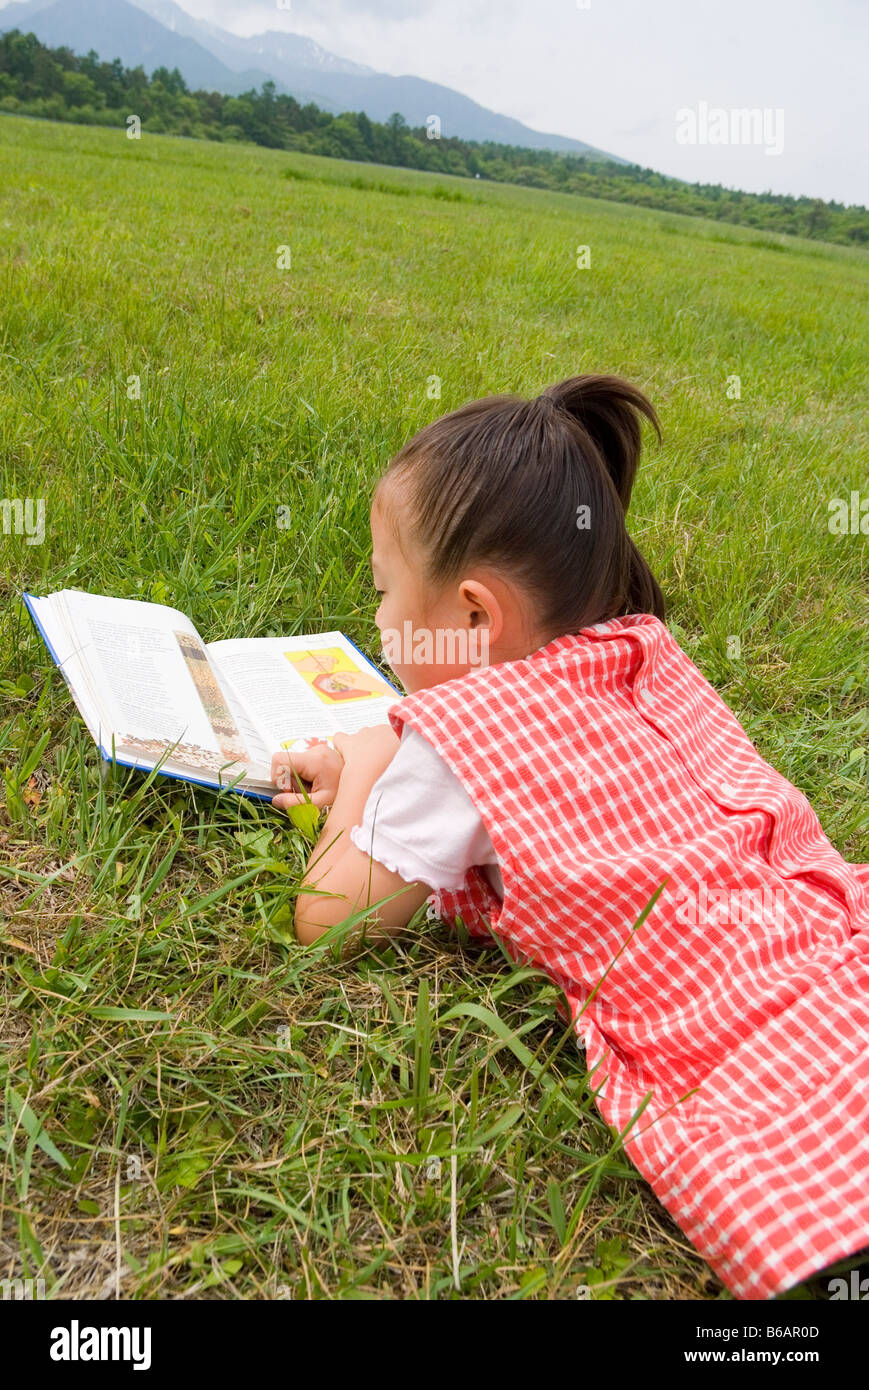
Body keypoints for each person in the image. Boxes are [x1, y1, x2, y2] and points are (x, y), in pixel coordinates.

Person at [270, 374, 869, 1302]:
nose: (381, 626)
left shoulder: (466, 738)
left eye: (385, 595)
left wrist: (365, 780)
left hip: (739, 1041)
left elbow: (327, 918)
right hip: (832, 943)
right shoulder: (641, 655)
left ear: (474, 615)